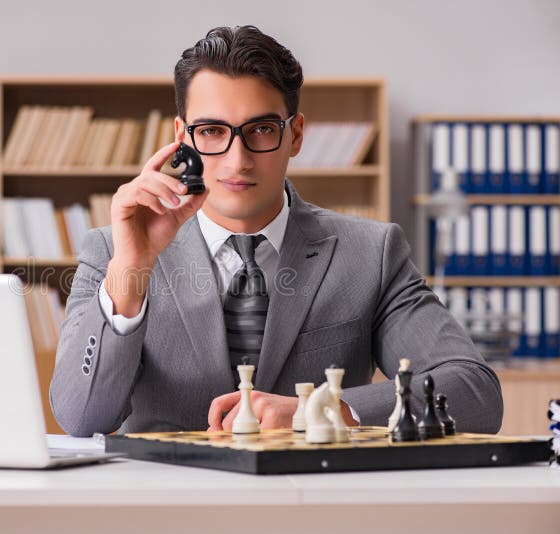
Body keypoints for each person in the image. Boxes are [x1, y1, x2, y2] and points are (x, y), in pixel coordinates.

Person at [50, 25, 503, 437]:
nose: (237, 160)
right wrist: (132, 270)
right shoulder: (112, 250)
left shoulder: (371, 253)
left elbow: (474, 392)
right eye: (211, 131)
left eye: (262, 130)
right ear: (183, 137)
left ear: (296, 134)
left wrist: (320, 408)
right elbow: (80, 418)